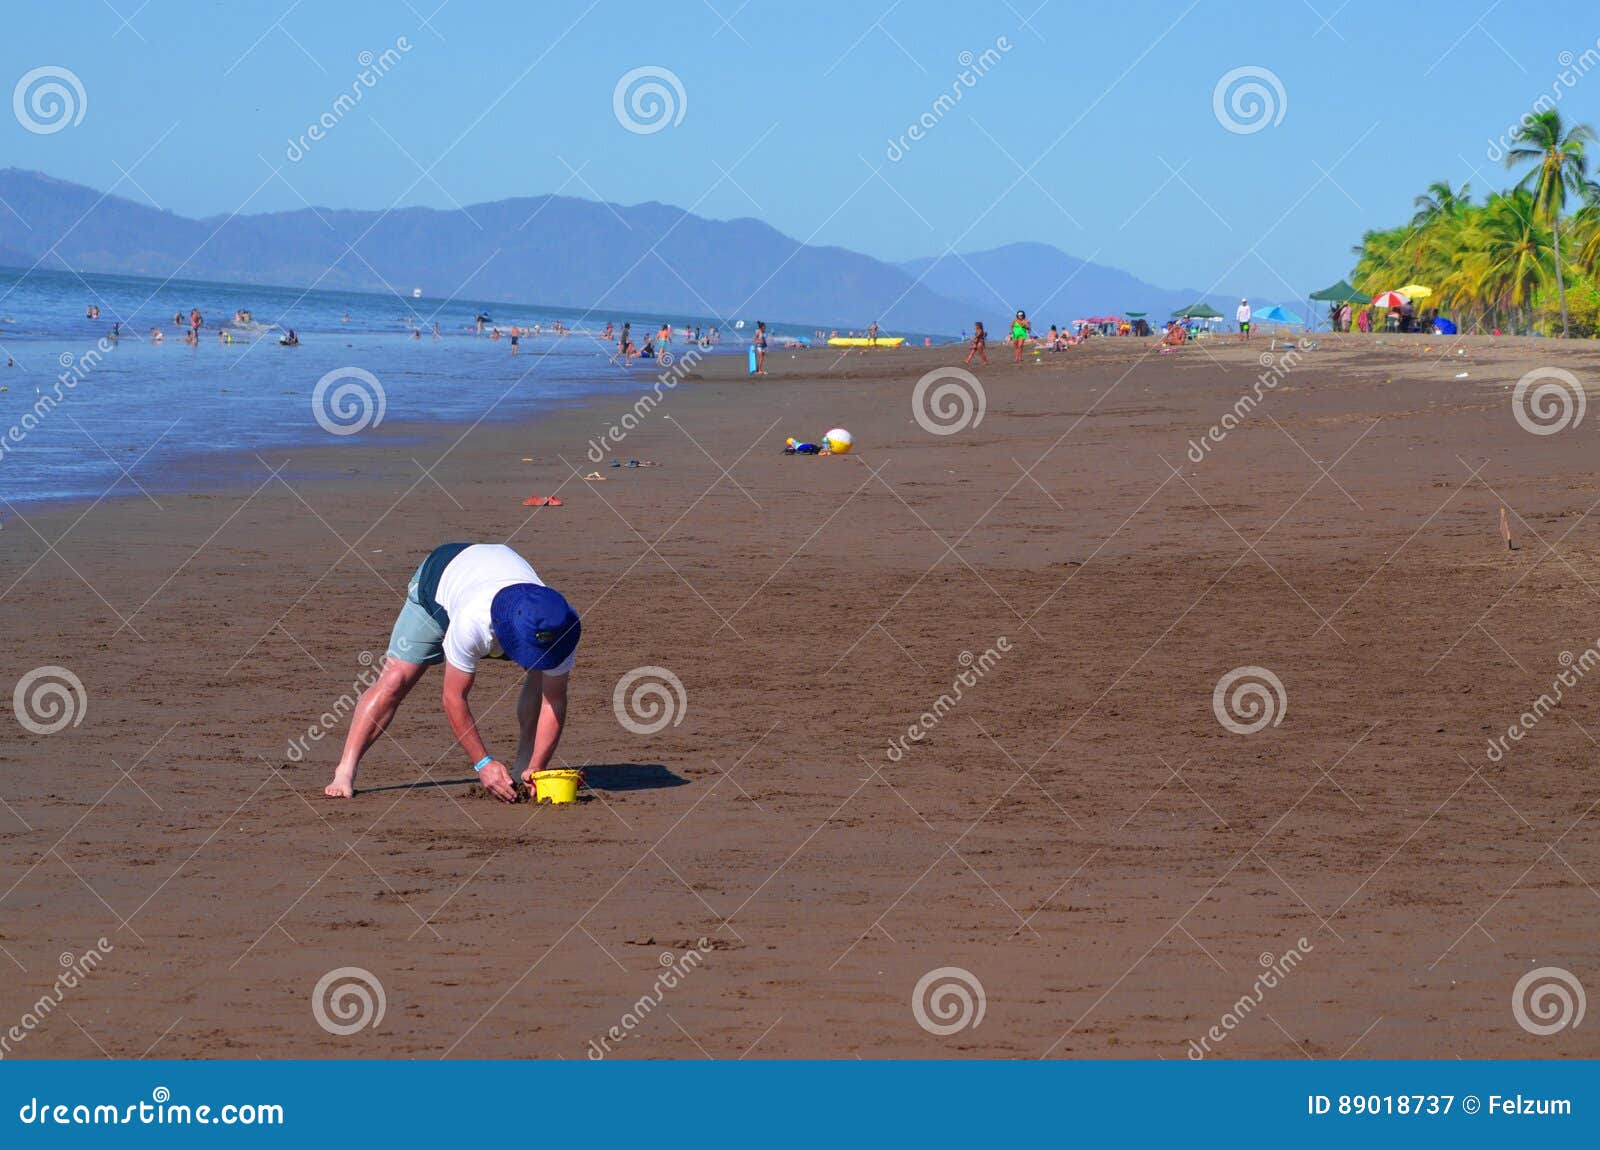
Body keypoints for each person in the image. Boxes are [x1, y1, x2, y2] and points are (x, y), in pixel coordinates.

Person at [324, 542, 582, 802]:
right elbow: (453, 697)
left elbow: (554, 701)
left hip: (506, 591)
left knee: (542, 673)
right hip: (439, 583)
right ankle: (345, 768)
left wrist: (539, 764)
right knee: (396, 679)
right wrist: (483, 763)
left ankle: (526, 764)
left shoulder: (560, 624)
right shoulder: (472, 623)